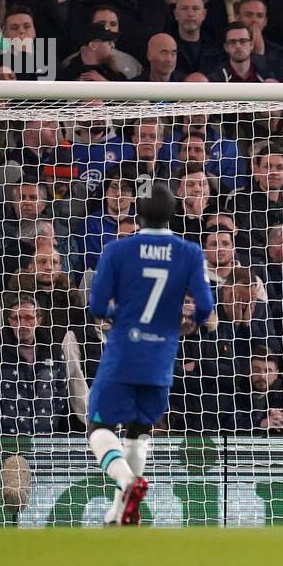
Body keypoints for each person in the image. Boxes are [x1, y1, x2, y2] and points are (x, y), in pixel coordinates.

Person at [85, 182, 217, 526]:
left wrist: (122, 311)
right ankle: (121, 515)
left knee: (98, 427)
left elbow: (97, 305)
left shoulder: (118, 250)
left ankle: (128, 482)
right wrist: (187, 322)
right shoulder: (189, 252)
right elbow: (205, 306)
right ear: (173, 214)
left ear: (137, 214)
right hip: (161, 357)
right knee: (138, 432)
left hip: (124, 351)